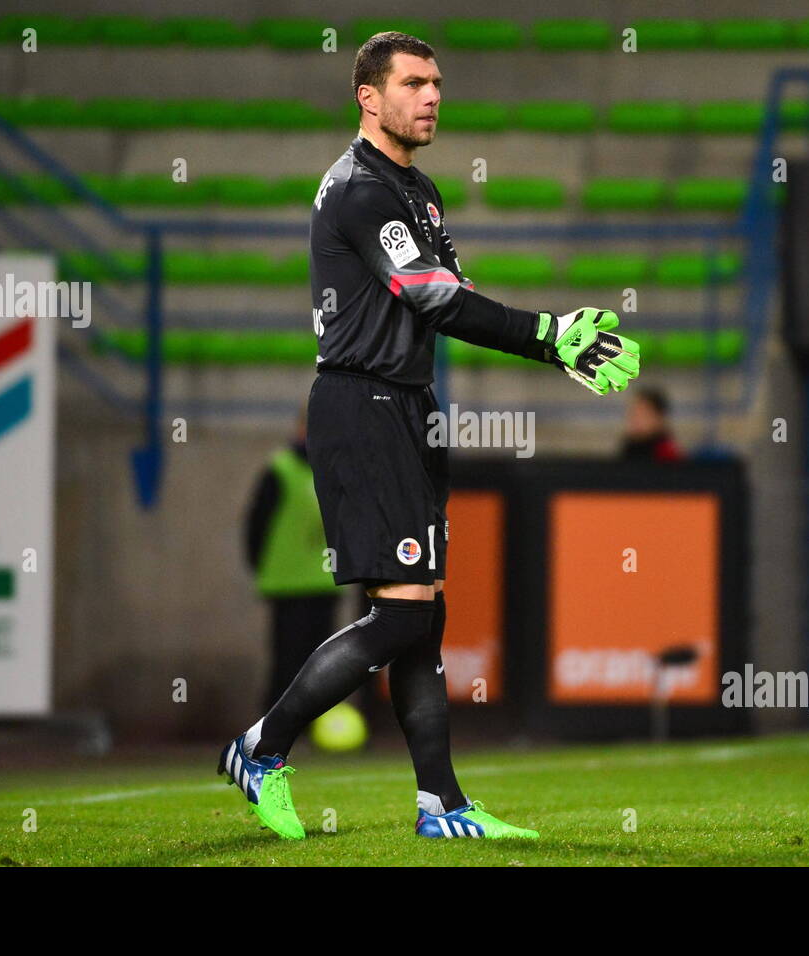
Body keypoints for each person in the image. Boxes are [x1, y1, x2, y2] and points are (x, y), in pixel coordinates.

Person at [218, 31, 641, 841]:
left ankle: (440, 805)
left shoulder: (420, 190)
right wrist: (550, 336)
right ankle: (262, 746)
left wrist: (532, 334)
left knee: (421, 613)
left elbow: (451, 291)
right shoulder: (359, 190)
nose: (433, 95)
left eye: (438, 82)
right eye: (413, 82)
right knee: (404, 615)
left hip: (408, 408)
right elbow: (431, 298)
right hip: (362, 408)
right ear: (368, 98)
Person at [243, 408, 342, 714]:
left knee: (325, 665)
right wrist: (263, 567)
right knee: (288, 663)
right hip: (288, 584)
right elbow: (256, 525)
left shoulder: (336, 470)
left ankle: (316, 727)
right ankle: (273, 730)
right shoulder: (280, 470)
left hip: (325, 582)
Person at [620, 387, 683, 463]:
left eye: (643, 414)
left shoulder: (667, 453)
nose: (635, 419)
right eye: (633, 413)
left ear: (658, 417)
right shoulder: (628, 447)